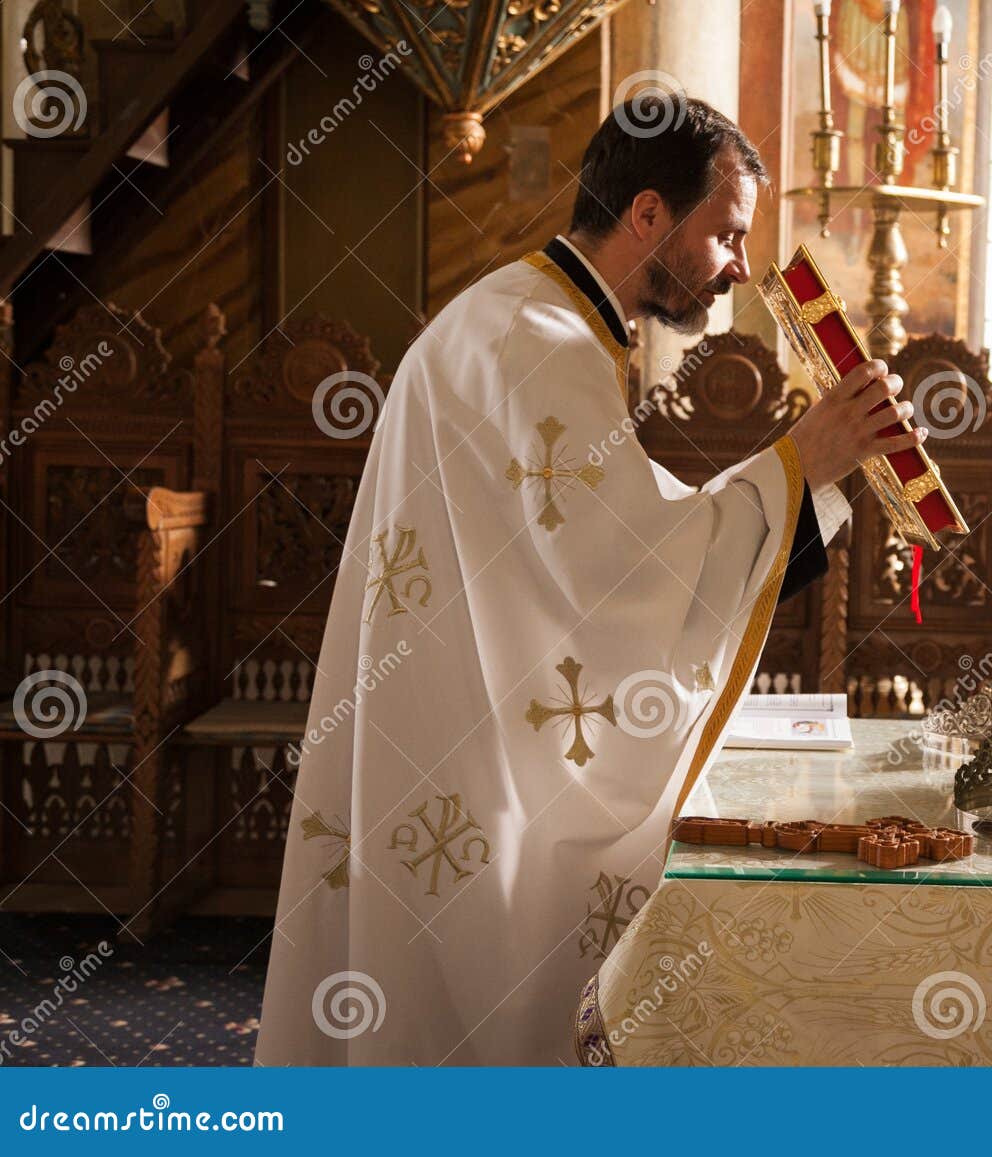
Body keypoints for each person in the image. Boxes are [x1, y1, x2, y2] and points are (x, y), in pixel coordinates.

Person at [254, 96, 924, 1065]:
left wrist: (804, 468)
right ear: (648, 214)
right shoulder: (542, 344)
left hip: (448, 722)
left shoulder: (520, 315)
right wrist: (803, 461)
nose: (739, 266)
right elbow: (621, 580)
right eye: (726, 234)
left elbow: (610, 548)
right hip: (470, 762)